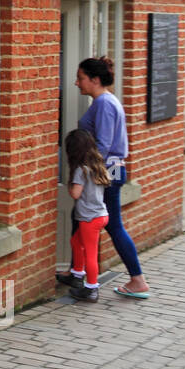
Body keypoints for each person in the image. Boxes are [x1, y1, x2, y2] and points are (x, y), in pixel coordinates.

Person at [73, 55, 150, 298]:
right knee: (82, 222)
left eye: (81, 78)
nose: (77, 83)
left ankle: (137, 279)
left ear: (95, 80)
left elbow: (103, 145)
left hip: (106, 171)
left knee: (112, 224)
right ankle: (76, 271)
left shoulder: (104, 104)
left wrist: (85, 173)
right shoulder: (103, 101)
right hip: (109, 170)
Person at [61, 129, 110, 302]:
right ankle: (77, 273)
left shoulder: (81, 170)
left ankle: (91, 288)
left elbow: (75, 194)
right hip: (101, 215)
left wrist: (68, 186)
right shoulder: (98, 165)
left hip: (89, 218)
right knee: (75, 241)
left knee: (90, 252)